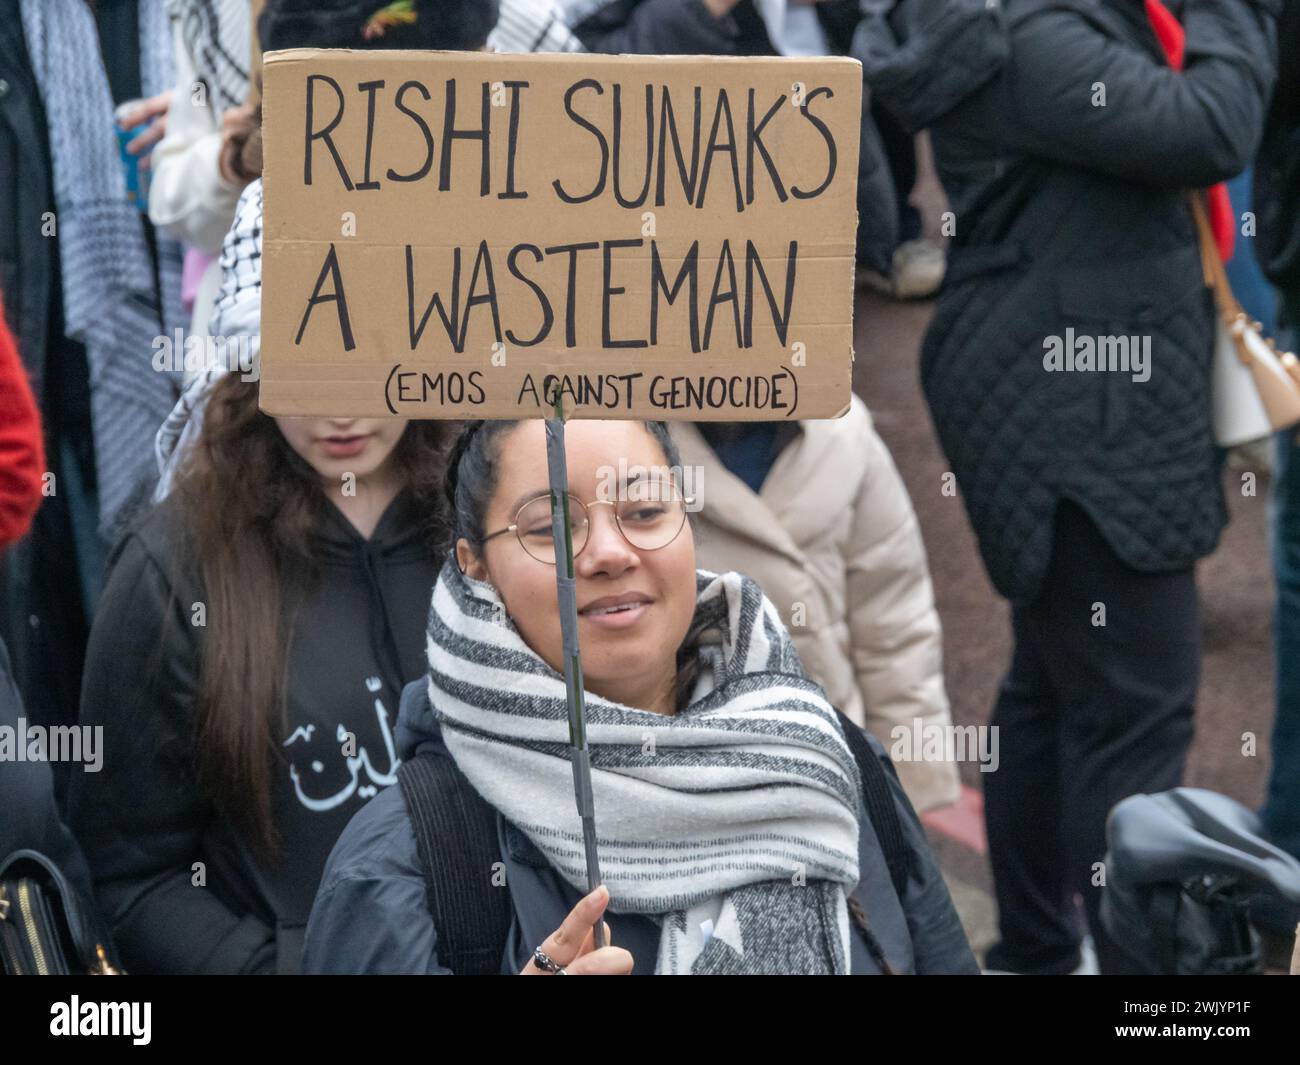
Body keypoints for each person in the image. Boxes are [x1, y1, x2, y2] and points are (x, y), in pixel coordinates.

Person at [856, 0, 1279, 973]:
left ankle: (1039, 951)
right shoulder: (1030, 31)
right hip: (1082, 408)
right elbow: (1206, 124)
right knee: (1134, 710)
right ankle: (1139, 981)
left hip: (1051, 386)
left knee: (1052, 686)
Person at [302, 418, 979, 975]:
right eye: (548, 527)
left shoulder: (823, 756)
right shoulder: (404, 865)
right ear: (474, 564)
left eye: (646, 510)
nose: (607, 552)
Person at [1, 0, 186, 792]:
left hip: (215, 389)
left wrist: (221, 140)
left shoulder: (213, 13)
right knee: (96, 680)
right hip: (63, 400)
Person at [670, 396, 960, 813]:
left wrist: (906, 798)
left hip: (836, 767)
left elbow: (894, 624)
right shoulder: (614, 440)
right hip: (692, 789)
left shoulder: (843, 430)